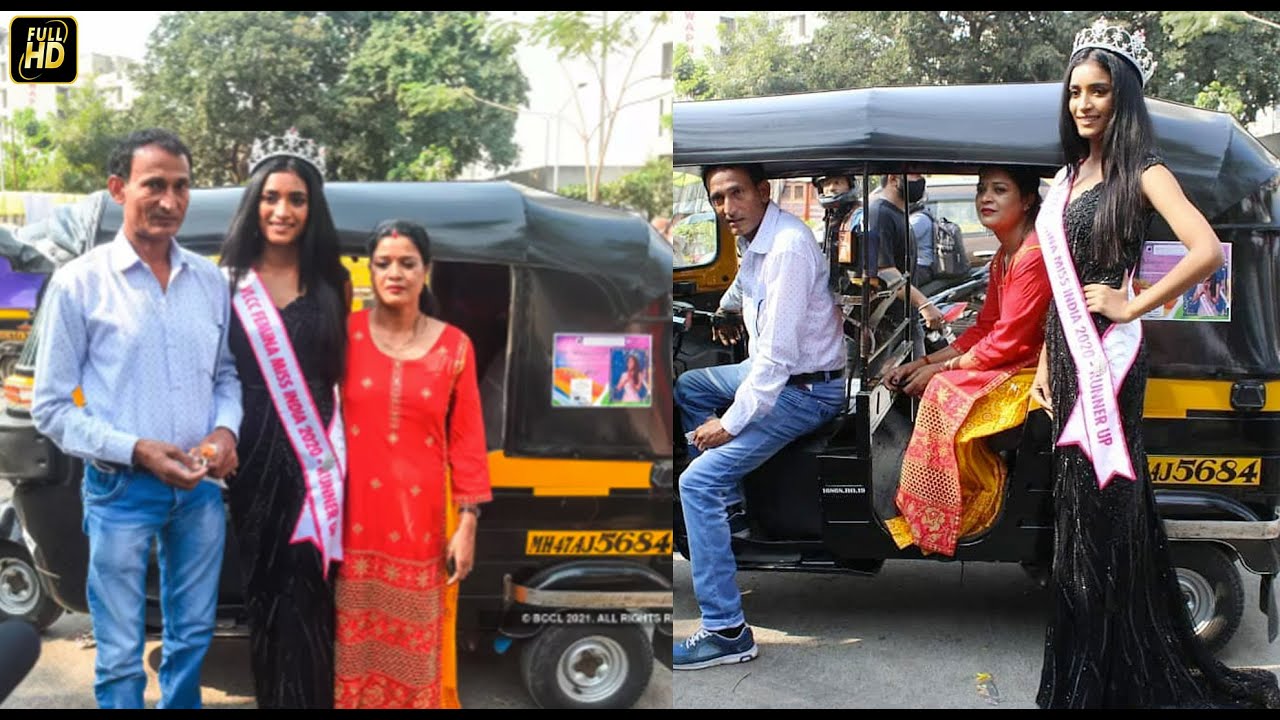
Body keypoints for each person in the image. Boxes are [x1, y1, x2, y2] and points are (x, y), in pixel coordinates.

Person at [1030, 22, 1280, 708]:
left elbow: (1204, 250)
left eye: (1098, 91)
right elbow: (1057, 281)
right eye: (1075, 92)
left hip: (1109, 360)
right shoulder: (1067, 177)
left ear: (1124, 97)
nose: (1084, 104)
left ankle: (1107, 677)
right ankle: (1098, 662)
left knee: (1103, 509)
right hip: (1068, 354)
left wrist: (1131, 304)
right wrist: (1044, 362)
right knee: (1081, 511)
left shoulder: (1144, 171)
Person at [31, 128, 242, 709]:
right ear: (118, 189)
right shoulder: (80, 283)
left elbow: (226, 375)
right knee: (121, 650)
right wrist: (138, 448)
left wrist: (225, 431)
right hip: (120, 489)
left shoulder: (209, 281)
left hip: (200, 491)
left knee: (192, 636)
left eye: (181, 186)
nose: (170, 200)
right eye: (154, 185)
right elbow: (51, 407)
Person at [673, 163, 845, 670]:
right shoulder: (757, 239)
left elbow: (776, 359)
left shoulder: (787, 247)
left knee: (695, 484)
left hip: (804, 390)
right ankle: (731, 509)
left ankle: (725, 629)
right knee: (690, 386)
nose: (727, 208)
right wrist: (726, 309)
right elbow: (747, 287)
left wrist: (729, 424)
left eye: (736, 194)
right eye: (718, 198)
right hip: (784, 374)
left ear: (763, 191)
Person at [334, 219, 492, 708]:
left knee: (419, 646)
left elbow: (467, 440)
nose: (395, 273)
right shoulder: (343, 336)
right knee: (349, 646)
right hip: (350, 524)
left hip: (423, 524)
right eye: (383, 263)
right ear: (370, 269)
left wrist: (468, 522)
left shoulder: (454, 346)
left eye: (407, 263)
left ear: (426, 269)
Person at [218, 129, 351, 708]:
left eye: (297, 199)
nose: (283, 210)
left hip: (316, 457)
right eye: (271, 197)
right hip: (251, 456)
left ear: (312, 208)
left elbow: (343, 372)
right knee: (265, 594)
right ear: (255, 202)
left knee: (312, 594)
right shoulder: (228, 283)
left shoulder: (333, 283)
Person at [883, 165, 1051, 556]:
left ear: (1027, 200)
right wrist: (924, 362)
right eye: (982, 190)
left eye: (999, 190)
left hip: (1031, 371)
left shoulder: (1033, 255)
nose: (985, 199)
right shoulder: (1004, 256)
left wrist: (939, 370)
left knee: (943, 392)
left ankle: (955, 508)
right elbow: (985, 328)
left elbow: (1008, 341)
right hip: (1010, 360)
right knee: (939, 384)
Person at [864, 172, 945, 334]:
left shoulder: (899, 213)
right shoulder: (880, 214)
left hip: (906, 318)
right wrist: (924, 304)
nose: (921, 180)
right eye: (915, 175)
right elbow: (884, 272)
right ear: (893, 179)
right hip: (888, 324)